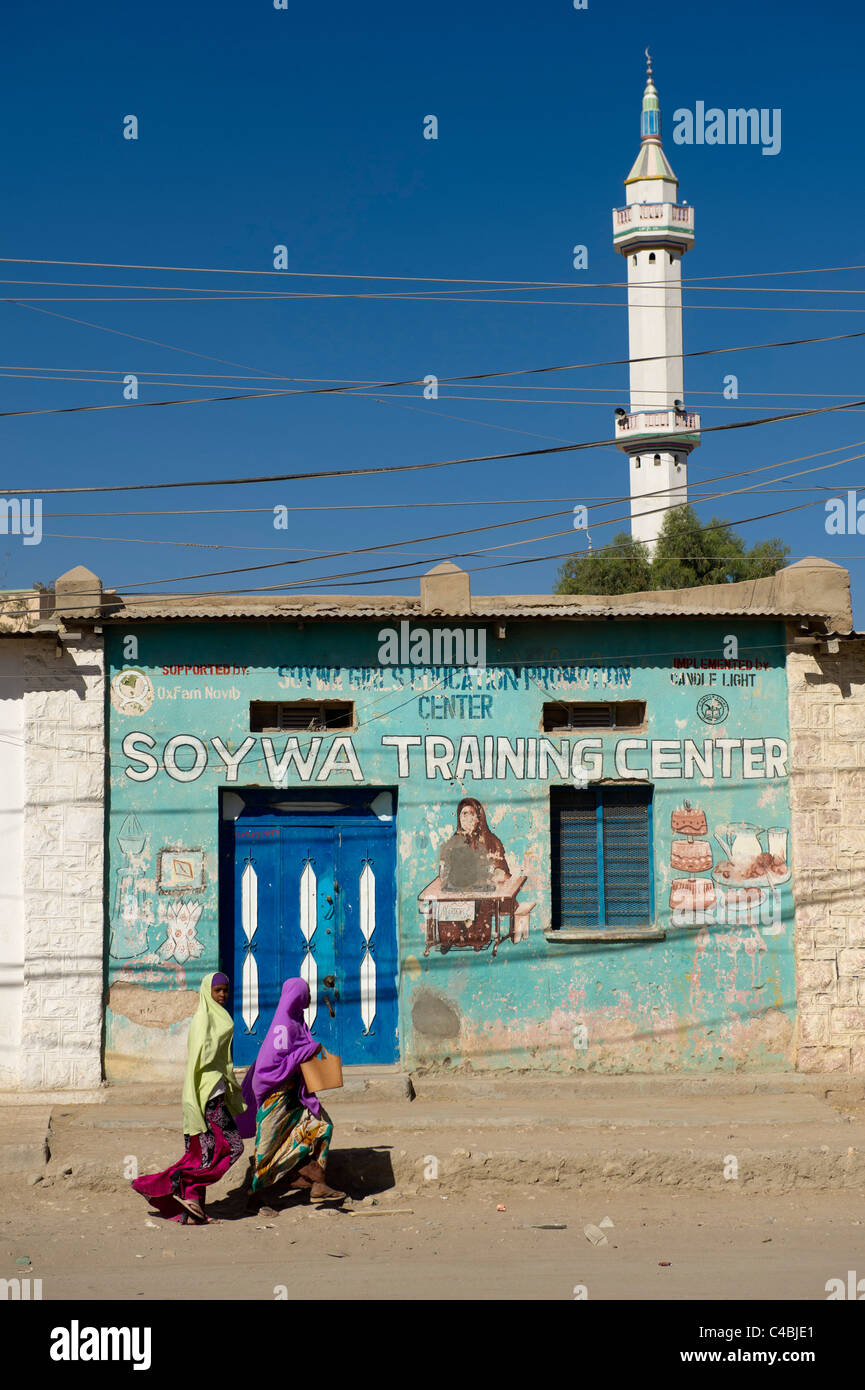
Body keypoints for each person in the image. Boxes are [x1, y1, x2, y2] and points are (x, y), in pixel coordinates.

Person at [130, 971, 246, 1224]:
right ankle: (181, 1181)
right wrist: (198, 1096)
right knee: (233, 1147)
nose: (222, 995)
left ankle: (193, 1210)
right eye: (217, 991)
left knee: (202, 1155)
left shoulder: (218, 1017)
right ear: (208, 992)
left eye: (225, 990)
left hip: (215, 1091)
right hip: (205, 1095)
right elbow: (198, 1060)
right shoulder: (203, 1020)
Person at [237, 977, 344, 1208]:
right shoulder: (283, 1026)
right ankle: (254, 1196)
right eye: (306, 993)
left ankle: (318, 1183)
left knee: (322, 1127)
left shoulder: (296, 1022)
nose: (309, 998)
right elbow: (270, 1068)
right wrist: (306, 1051)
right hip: (274, 1097)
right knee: (266, 1149)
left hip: (294, 1095)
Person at [438, 798, 510, 951]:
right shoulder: (453, 842)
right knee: (444, 903)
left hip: (482, 891)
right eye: (463, 814)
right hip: (458, 889)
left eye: (471, 814)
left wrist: (495, 875)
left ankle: (477, 941)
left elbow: (502, 871)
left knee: (480, 903)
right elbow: (444, 868)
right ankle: (451, 940)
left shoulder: (491, 841)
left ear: (479, 817)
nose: (467, 818)